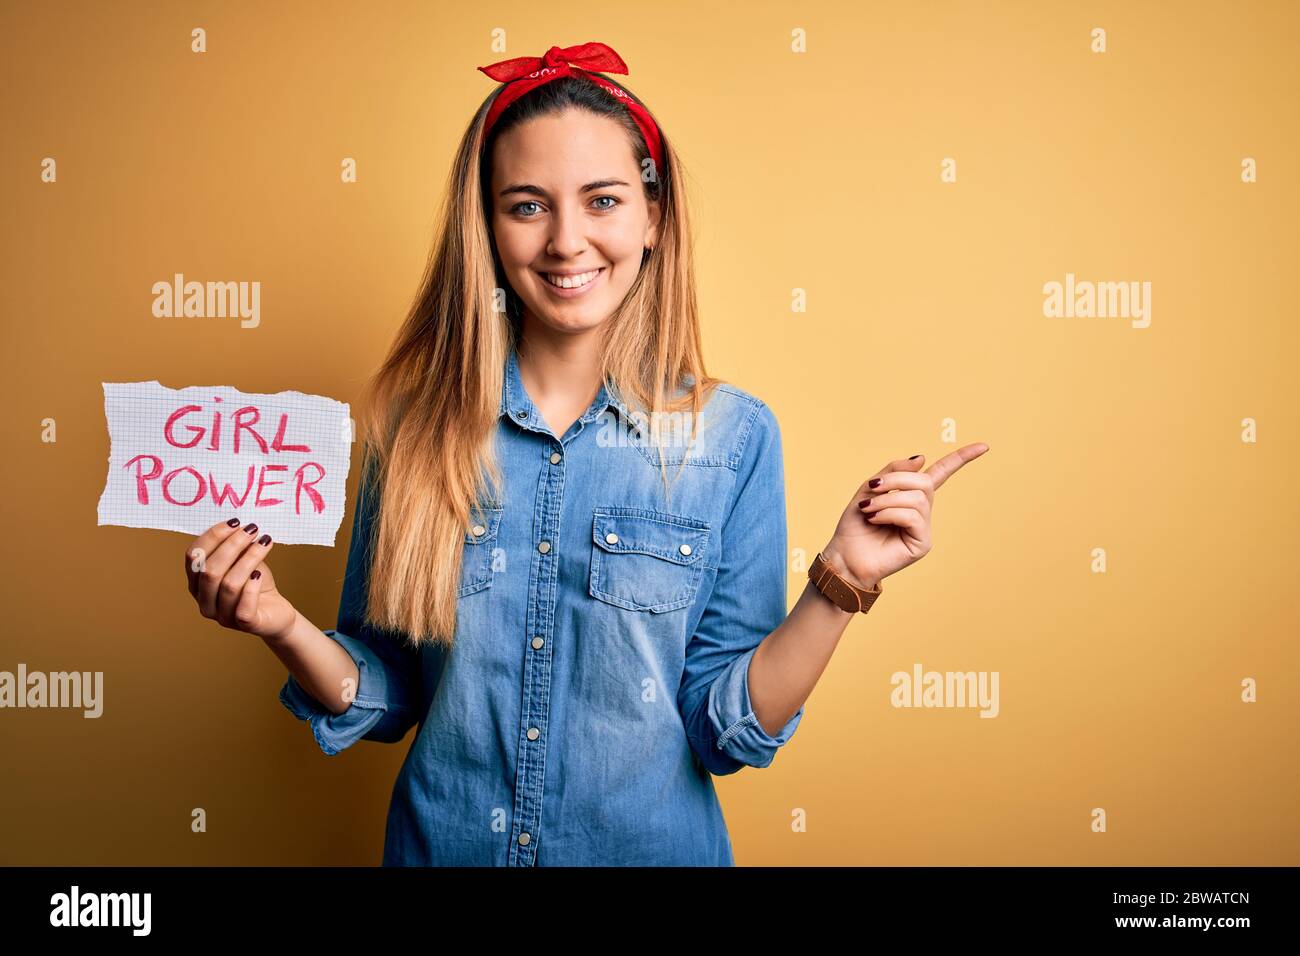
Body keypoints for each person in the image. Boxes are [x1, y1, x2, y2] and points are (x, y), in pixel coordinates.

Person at [182, 41, 989, 866]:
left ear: (653, 218)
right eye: (527, 206)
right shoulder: (412, 429)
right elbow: (387, 693)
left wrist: (840, 580)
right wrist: (277, 623)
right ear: (488, 229)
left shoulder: (734, 439)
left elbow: (725, 732)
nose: (567, 241)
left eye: (602, 200)